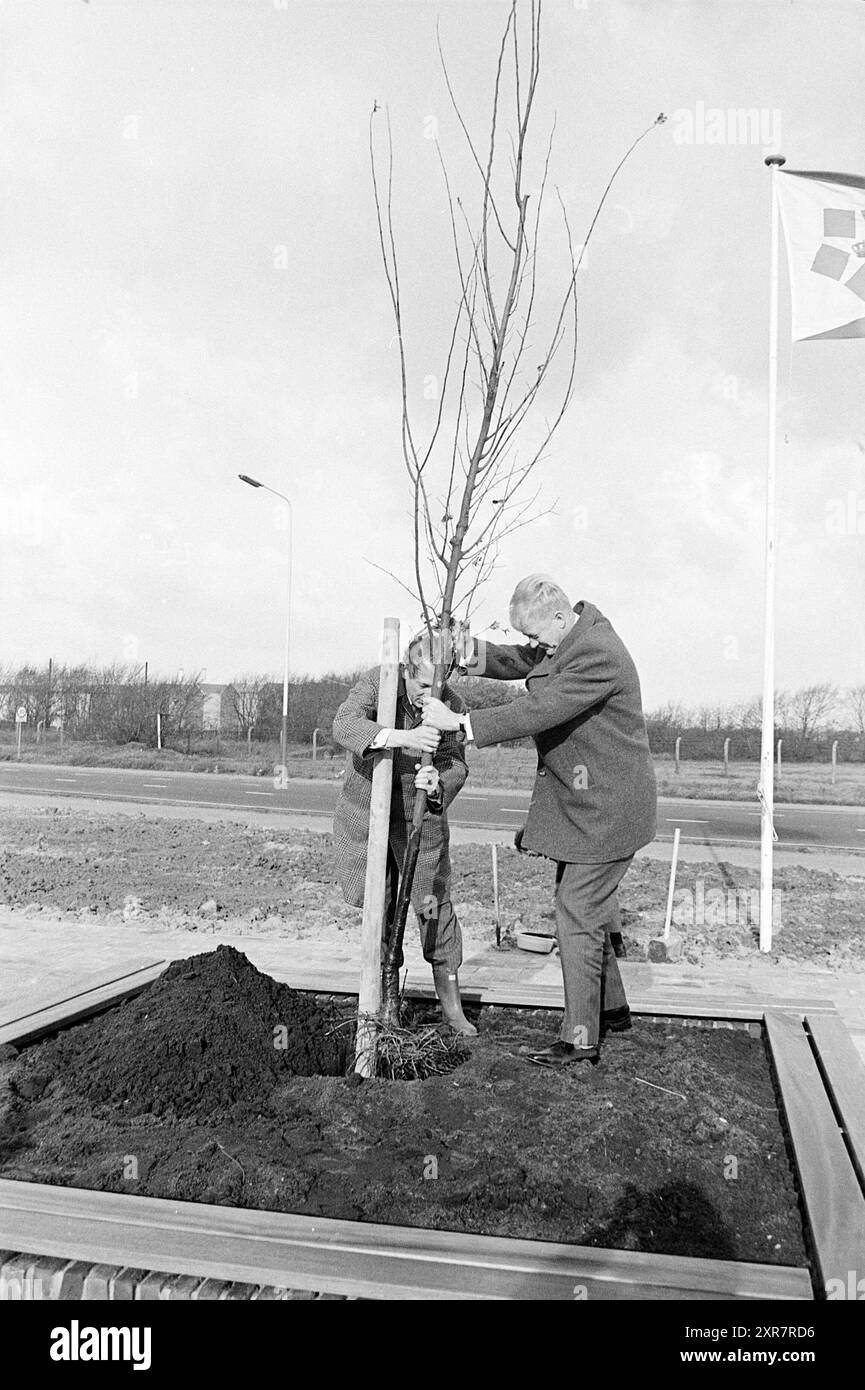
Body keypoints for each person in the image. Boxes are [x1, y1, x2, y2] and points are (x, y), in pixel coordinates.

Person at [421, 575, 657, 1066]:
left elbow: (540, 707)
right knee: (584, 910)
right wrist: (471, 653)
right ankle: (611, 1010)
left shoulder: (597, 653)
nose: (532, 646)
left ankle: (580, 1040)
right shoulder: (569, 637)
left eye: (534, 635)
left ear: (556, 616)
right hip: (589, 805)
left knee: (576, 909)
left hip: (609, 810)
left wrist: (462, 724)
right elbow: (522, 660)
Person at [332, 631, 477, 1035]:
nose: (426, 695)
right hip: (369, 818)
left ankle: (452, 1010)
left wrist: (437, 783)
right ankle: (386, 1004)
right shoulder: (378, 682)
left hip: (420, 823)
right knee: (380, 906)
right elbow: (344, 725)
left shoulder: (452, 706)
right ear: (406, 671)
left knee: (434, 907)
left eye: (437, 686)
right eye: (420, 685)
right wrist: (403, 739)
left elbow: (456, 764)